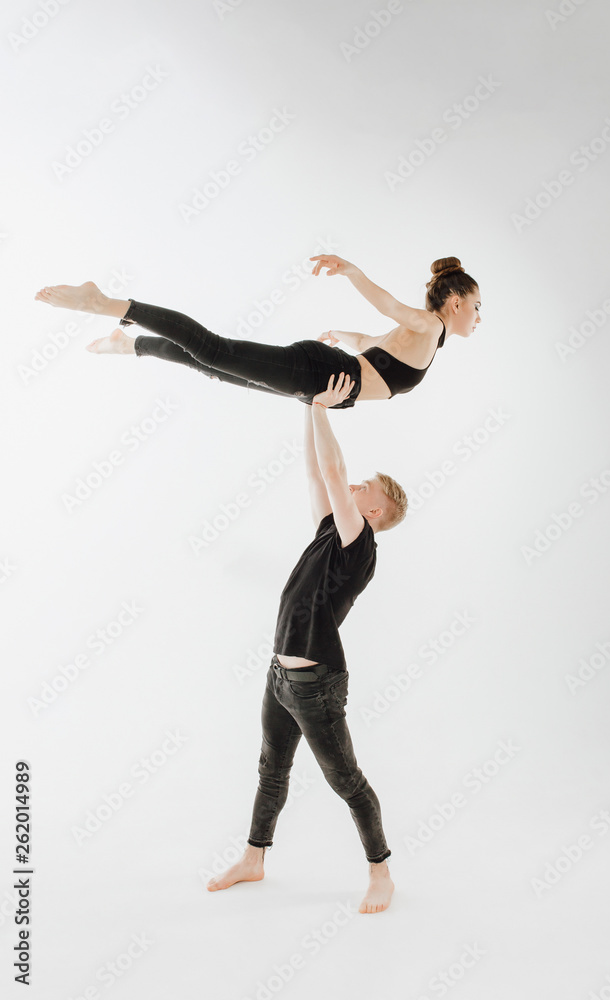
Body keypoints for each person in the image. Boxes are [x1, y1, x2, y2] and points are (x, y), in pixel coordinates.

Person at [206, 372, 408, 913]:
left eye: (364, 488)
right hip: (281, 677)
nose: (353, 487)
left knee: (347, 781)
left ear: (375, 512)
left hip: (316, 684)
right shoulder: (330, 531)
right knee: (271, 769)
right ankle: (253, 858)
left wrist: (322, 408)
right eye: (357, 484)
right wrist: (306, 403)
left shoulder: (358, 543)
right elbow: (318, 471)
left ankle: (381, 873)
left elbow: (335, 470)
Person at [34, 255, 481, 408]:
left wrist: (340, 333)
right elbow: (389, 305)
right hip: (321, 374)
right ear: (455, 303)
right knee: (213, 350)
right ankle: (104, 303)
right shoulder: (430, 325)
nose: (478, 317)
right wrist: (352, 272)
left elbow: (370, 344)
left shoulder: (419, 339)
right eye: (476, 307)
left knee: (214, 367)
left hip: (323, 383)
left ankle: (130, 344)